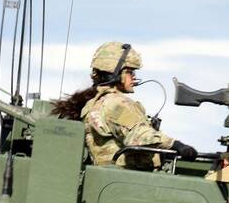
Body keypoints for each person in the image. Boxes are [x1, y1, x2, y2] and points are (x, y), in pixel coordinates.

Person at [53, 41, 199, 167]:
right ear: (115, 73)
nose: (134, 77)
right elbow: (139, 135)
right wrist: (177, 145)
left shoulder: (97, 101)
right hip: (125, 178)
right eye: (130, 71)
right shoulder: (115, 103)